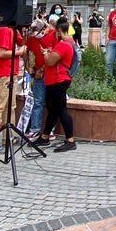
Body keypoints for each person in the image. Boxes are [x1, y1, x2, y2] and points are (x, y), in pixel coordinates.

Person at [0, 23, 27, 153]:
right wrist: (20, 51)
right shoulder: (4, 30)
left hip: (10, 72)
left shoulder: (12, 30)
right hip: (2, 73)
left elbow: (22, 41)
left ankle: (8, 136)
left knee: (10, 107)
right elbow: (0, 53)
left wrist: (26, 33)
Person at [40, 18, 78, 152]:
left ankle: (70, 140)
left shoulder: (63, 44)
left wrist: (45, 53)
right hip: (56, 80)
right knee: (53, 110)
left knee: (61, 109)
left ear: (59, 31)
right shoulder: (71, 42)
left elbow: (50, 62)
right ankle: (44, 137)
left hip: (58, 80)